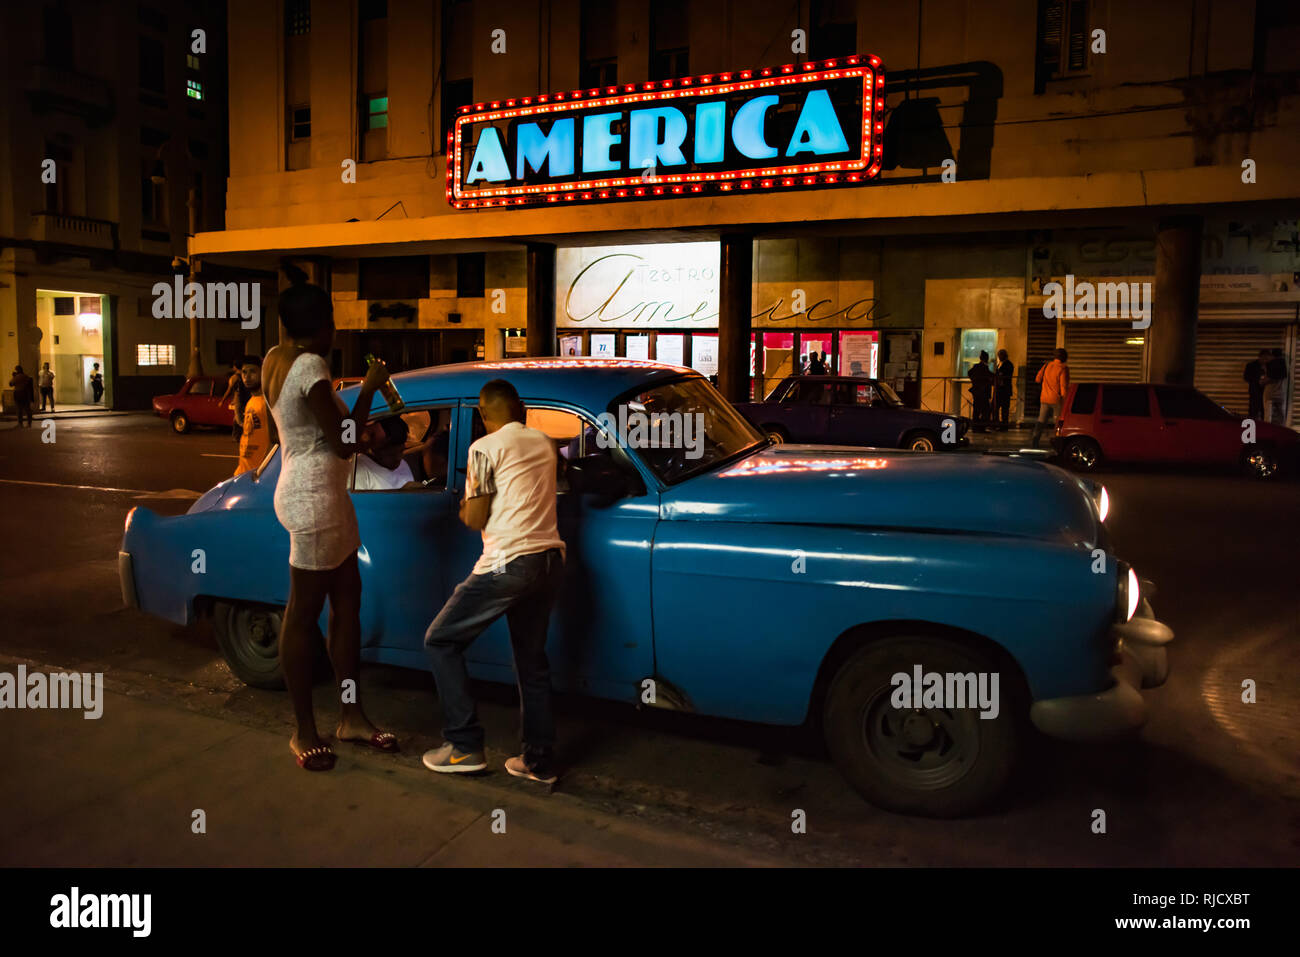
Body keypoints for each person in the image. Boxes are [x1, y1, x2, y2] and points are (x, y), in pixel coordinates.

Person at [262, 268, 397, 771]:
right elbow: (343, 438)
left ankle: (352, 716)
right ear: (323, 326)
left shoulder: (276, 360)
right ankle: (304, 732)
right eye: (333, 321)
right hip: (315, 498)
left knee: (346, 606)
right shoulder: (311, 366)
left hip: (319, 493)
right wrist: (368, 389)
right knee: (304, 614)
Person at [422, 378, 565, 784]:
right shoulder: (543, 443)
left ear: (484, 415)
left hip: (507, 564)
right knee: (531, 661)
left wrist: (467, 503)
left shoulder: (483, 449)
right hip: (550, 560)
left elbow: (476, 518)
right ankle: (538, 761)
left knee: (441, 640)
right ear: (520, 409)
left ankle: (464, 746)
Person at [233, 355, 274, 476]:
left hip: (259, 474)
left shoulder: (268, 402)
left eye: (253, 371)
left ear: (262, 373)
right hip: (243, 473)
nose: (247, 376)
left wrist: (263, 470)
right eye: (244, 372)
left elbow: (275, 440)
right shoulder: (252, 401)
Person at [353, 417, 418, 490]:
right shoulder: (358, 472)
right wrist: (400, 496)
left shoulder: (402, 464)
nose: (399, 457)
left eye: (401, 451)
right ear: (376, 451)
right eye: (391, 455)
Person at [1030, 348, 1070, 448]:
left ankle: (1035, 442)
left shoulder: (1047, 365)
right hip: (1056, 400)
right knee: (1058, 423)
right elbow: (1063, 386)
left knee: (1041, 421)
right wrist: (1065, 401)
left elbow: (1037, 379)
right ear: (1064, 357)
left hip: (1044, 398)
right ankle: (1057, 444)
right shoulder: (1063, 368)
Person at [221, 358, 250, 441]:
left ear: (235, 367)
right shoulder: (245, 375)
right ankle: (236, 436)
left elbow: (229, 390)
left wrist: (222, 400)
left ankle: (248, 432)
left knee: (239, 419)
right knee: (236, 418)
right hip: (247, 398)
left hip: (238, 398)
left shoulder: (234, 377)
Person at [968, 350, 994, 431]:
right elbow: (989, 375)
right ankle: (981, 427)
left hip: (976, 391)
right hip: (983, 392)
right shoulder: (984, 367)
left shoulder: (976, 366)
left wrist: (974, 381)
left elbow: (969, 373)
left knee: (977, 409)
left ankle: (976, 427)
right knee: (985, 410)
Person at [1243, 349, 1269, 421]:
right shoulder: (1251, 365)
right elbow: (1246, 377)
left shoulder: (1269, 366)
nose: (1265, 360)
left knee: (1265, 412)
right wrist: (1257, 380)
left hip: (1266, 393)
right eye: (1264, 358)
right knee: (1253, 412)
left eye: (1267, 358)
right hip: (1255, 392)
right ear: (1259, 357)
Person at [1263, 348, 1288, 424]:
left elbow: (1270, 378)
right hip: (1280, 393)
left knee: (1268, 414)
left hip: (1270, 393)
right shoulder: (1283, 364)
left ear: (1272, 355)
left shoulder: (1270, 364)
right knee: (1281, 414)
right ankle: (1282, 429)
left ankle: (1268, 430)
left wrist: (1262, 381)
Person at [994, 349, 1015, 431]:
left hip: (1004, 390)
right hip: (999, 389)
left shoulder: (1008, 364)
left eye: (1000, 355)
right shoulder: (1000, 364)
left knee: (1004, 409)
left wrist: (1000, 375)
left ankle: (1004, 426)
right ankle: (997, 424)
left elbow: (1006, 375)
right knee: (996, 407)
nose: (999, 357)